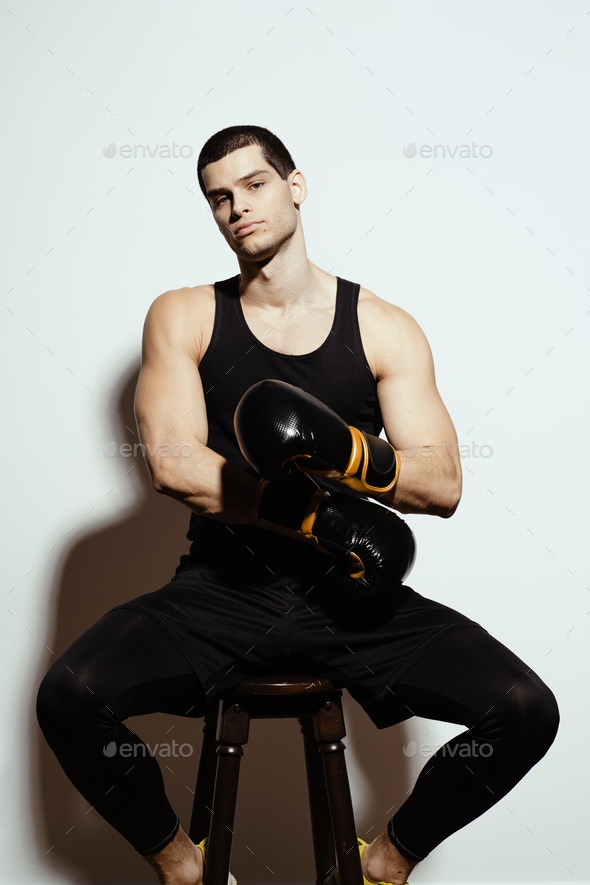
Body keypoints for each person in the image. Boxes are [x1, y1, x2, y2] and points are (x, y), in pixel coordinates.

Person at [36, 125, 559, 885]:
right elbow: (175, 466)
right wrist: (320, 515)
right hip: (219, 592)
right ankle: (184, 866)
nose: (237, 207)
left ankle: (382, 861)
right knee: (70, 696)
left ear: (295, 186)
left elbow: (441, 481)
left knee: (523, 708)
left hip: (352, 595)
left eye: (253, 185)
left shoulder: (381, 325)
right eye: (219, 197)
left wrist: (347, 453)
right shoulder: (184, 315)